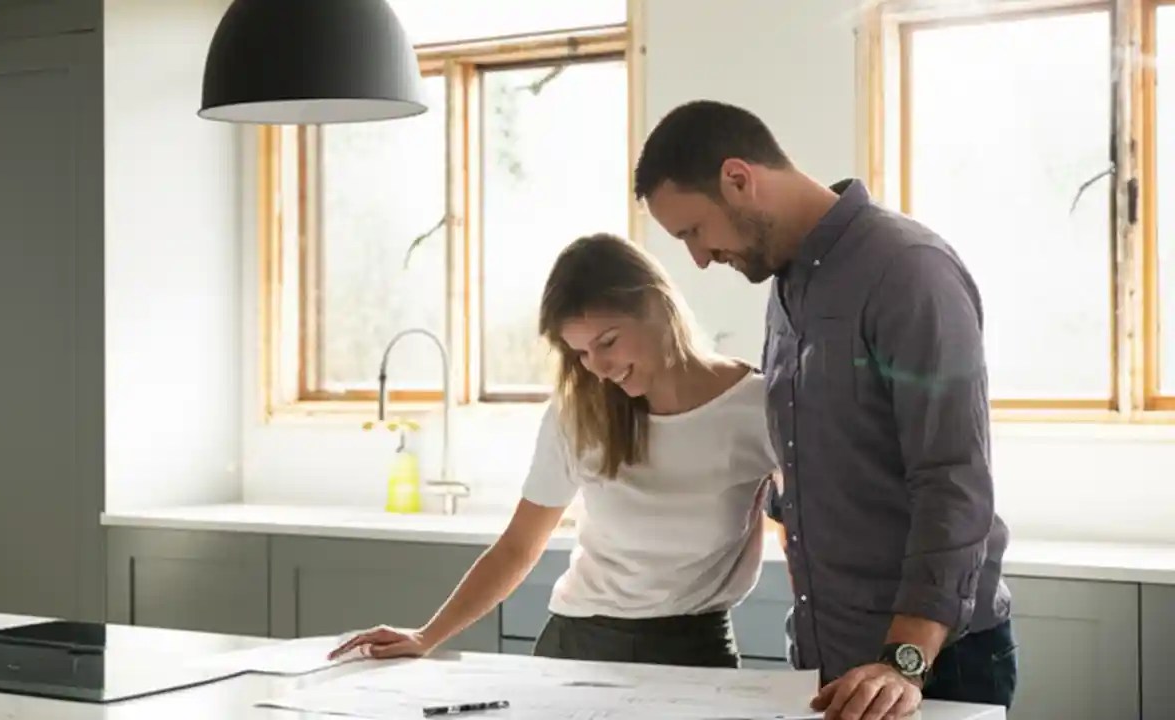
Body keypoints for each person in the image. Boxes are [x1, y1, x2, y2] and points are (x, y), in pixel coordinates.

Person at [633, 100, 1016, 720]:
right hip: (830, 664)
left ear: (738, 178)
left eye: (693, 232)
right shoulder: (785, 289)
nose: (698, 259)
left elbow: (954, 481)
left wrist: (904, 665)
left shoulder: (908, 270)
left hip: (930, 669)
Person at [329, 233, 778, 669]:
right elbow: (518, 546)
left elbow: (807, 545)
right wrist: (427, 636)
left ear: (658, 307)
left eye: (607, 342)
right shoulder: (579, 412)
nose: (598, 368)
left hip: (695, 652)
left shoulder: (758, 406)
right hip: (576, 647)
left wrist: (839, 663)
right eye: (581, 352)